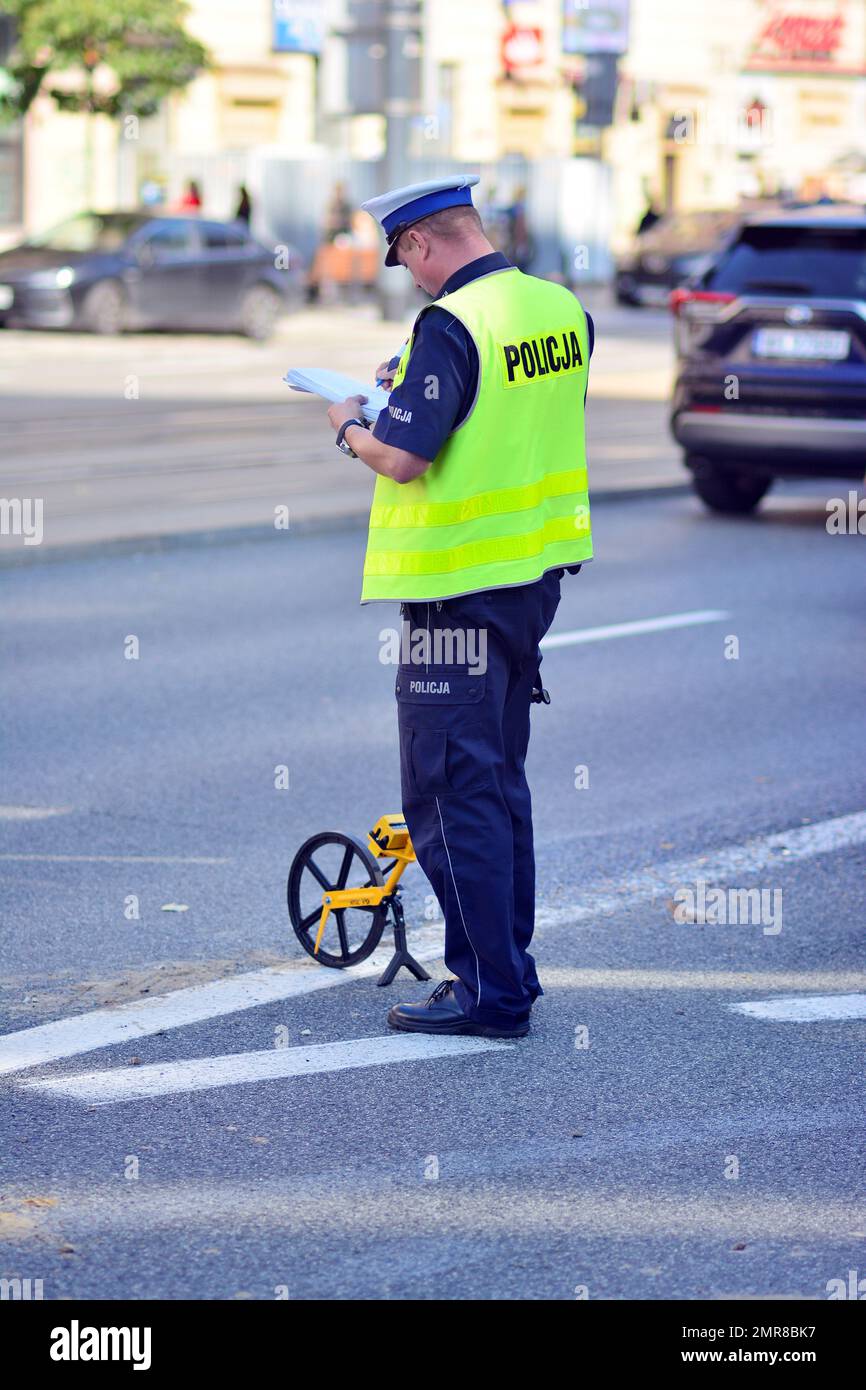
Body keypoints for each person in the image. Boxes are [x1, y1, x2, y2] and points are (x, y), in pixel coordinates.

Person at [325, 175, 595, 1040]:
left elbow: (403, 458)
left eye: (404, 258)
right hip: (531, 581)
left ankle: (491, 996)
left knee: (450, 795)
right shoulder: (560, 310)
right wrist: (410, 386)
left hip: (457, 594)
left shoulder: (450, 324)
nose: (409, 277)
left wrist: (347, 421)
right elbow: (509, 423)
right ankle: (508, 971)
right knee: (498, 785)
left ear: (420, 244)